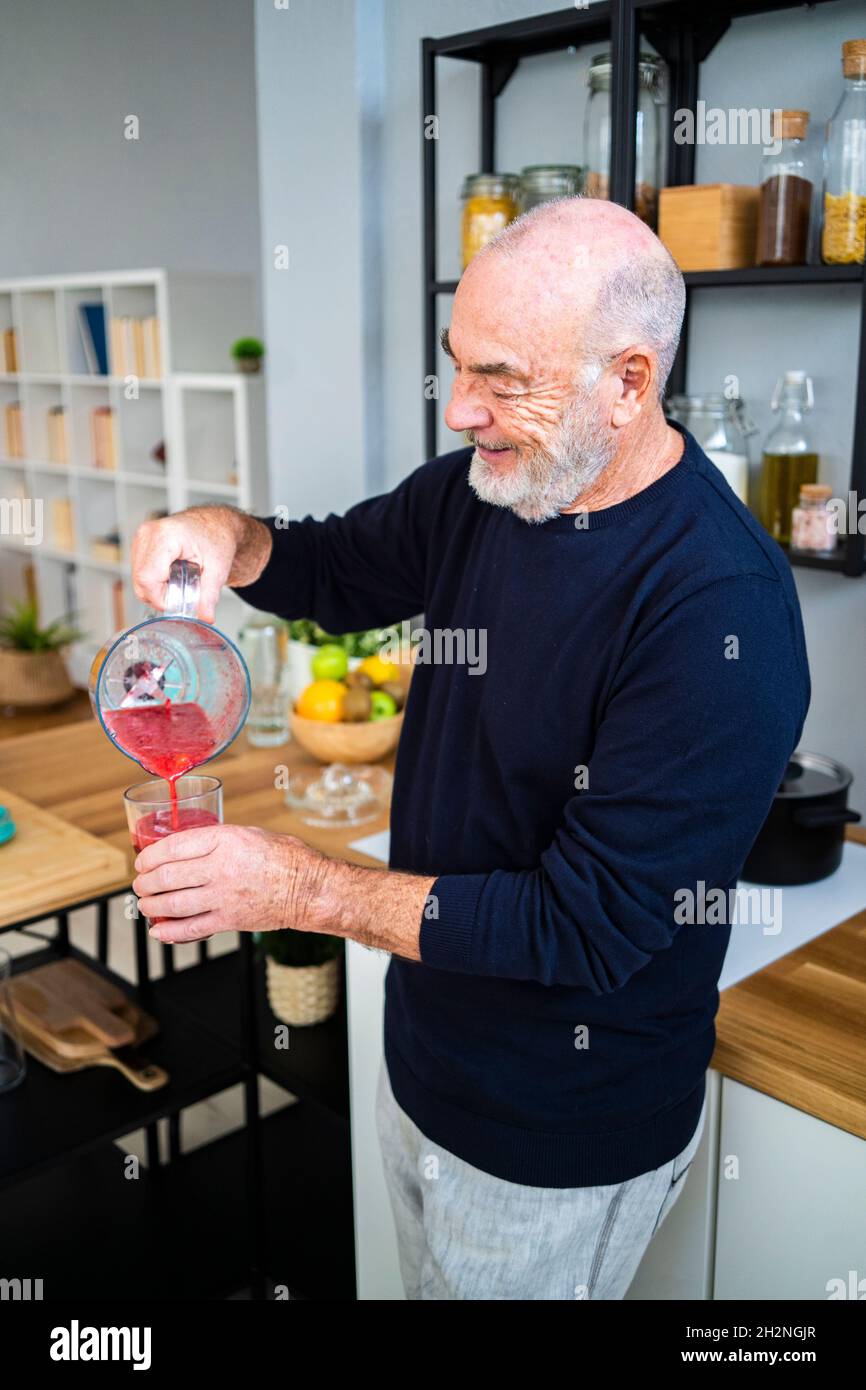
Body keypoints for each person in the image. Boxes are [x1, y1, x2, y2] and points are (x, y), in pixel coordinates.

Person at [131, 198, 810, 1300]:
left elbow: (585, 924)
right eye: (456, 367)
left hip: (553, 1141)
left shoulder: (715, 610)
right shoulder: (489, 491)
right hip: (426, 1067)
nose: (459, 412)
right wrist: (225, 534)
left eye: (500, 378)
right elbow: (333, 568)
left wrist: (303, 887)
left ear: (627, 381)